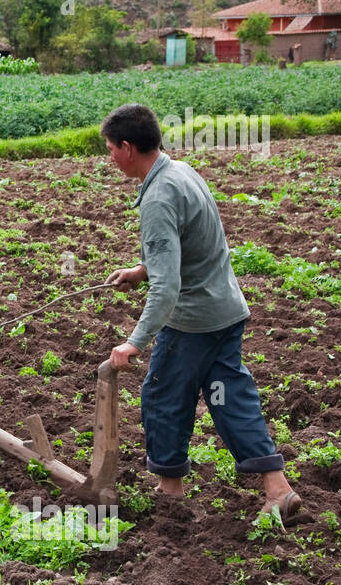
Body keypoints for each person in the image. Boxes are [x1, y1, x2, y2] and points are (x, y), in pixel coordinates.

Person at [100, 103, 301, 520]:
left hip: (192, 323)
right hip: (225, 311)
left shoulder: (157, 197)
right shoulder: (181, 171)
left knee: (162, 397)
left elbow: (169, 286)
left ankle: (169, 492)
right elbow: (193, 241)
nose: (110, 159)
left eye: (110, 150)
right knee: (231, 401)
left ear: (127, 147)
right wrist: (142, 269)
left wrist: (135, 342)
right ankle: (278, 488)